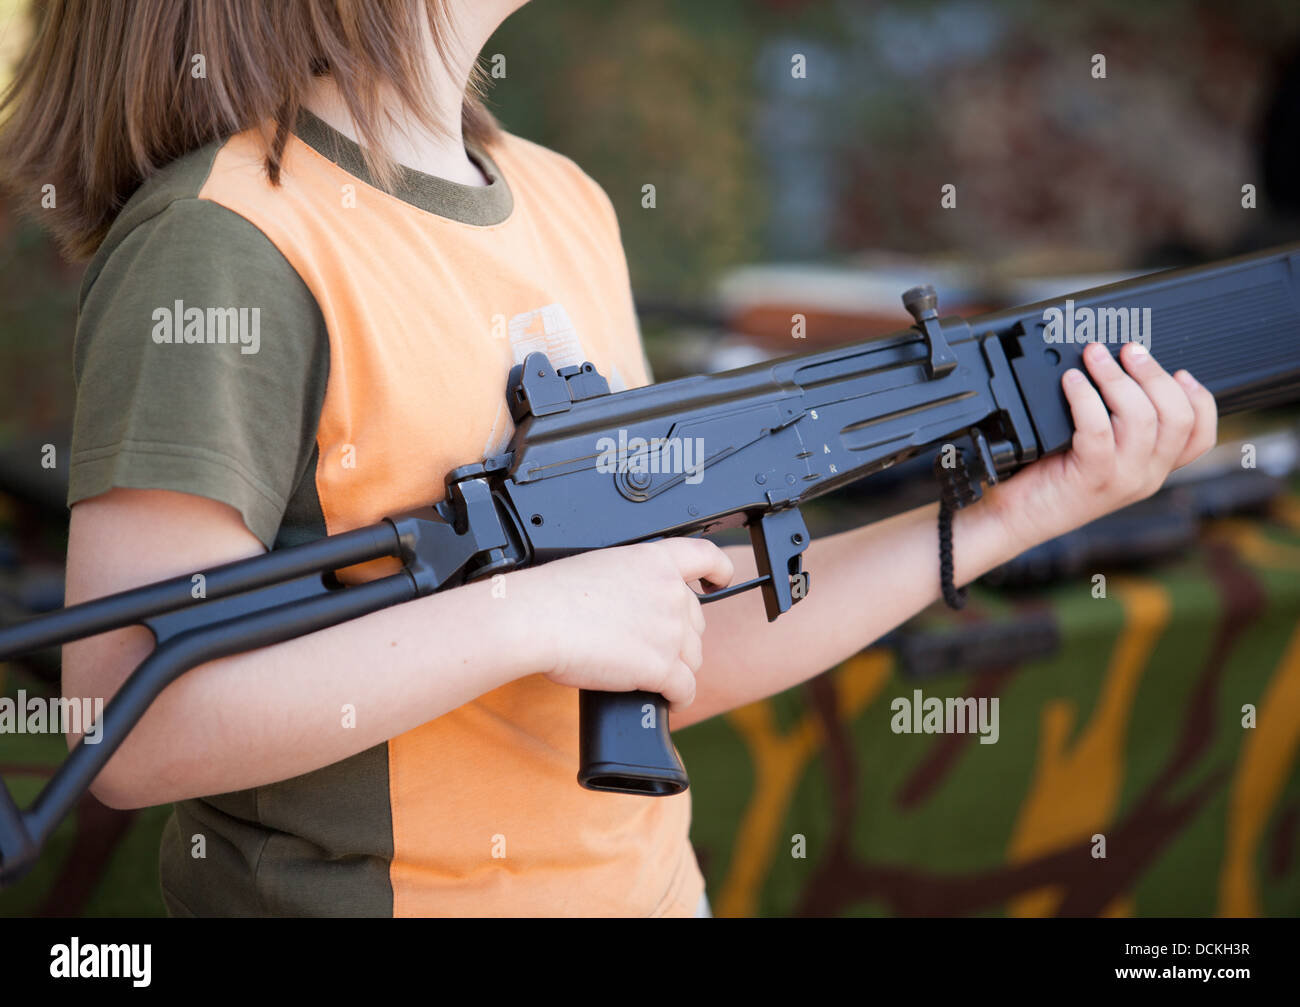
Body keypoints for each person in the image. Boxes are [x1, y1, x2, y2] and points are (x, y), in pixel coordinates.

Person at [0, 0, 1217, 917]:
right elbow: (124, 724)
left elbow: (675, 639)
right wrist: (528, 613)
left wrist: (1015, 515)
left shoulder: (561, 200)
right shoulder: (227, 241)